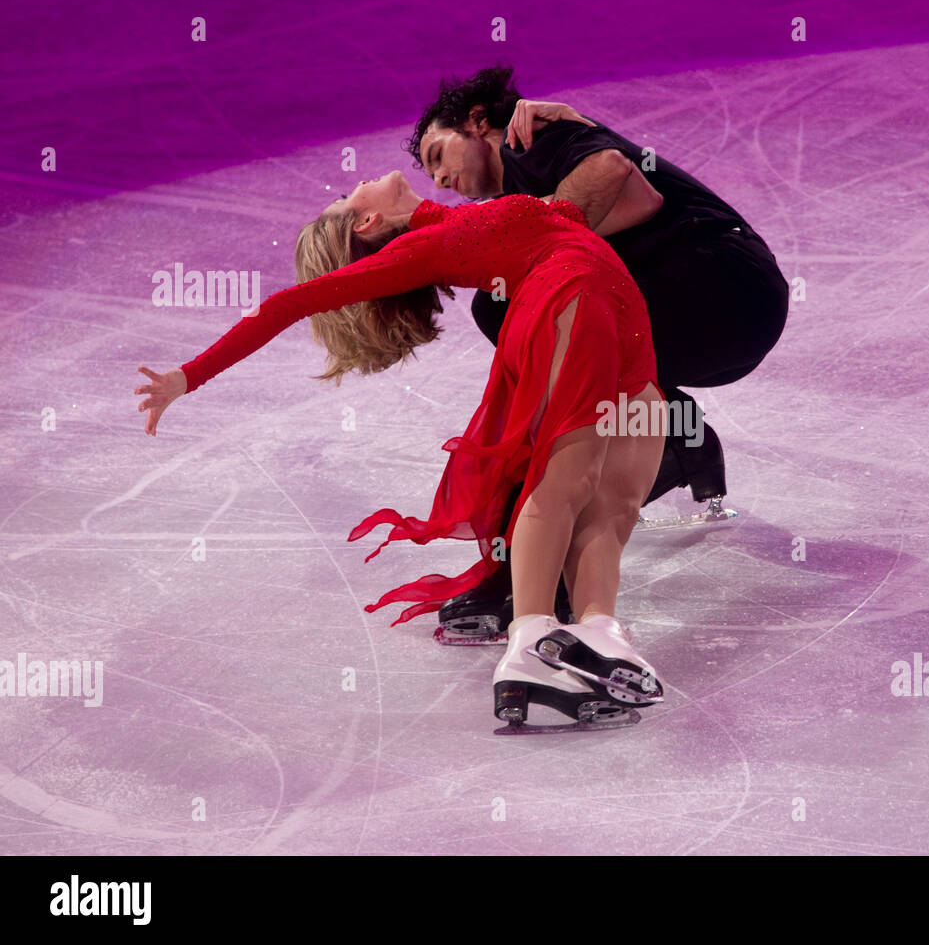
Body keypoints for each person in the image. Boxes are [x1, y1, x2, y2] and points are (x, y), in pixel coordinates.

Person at [133, 171, 666, 731]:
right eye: (344, 197)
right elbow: (289, 305)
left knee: (617, 501)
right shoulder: (423, 244)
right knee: (568, 481)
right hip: (570, 297)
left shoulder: (451, 220)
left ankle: (598, 630)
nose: (355, 182)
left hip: (623, 313)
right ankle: (531, 637)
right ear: (367, 222)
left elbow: (615, 190)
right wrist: (188, 377)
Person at [408, 64, 789, 641]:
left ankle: (537, 569)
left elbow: (619, 174)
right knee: (509, 310)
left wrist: (541, 239)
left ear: (476, 122)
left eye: (439, 155)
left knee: (531, 333)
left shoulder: (527, 138)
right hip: (716, 313)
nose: (440, 179)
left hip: (725, 285)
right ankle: (678, 433)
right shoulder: (522, 174)